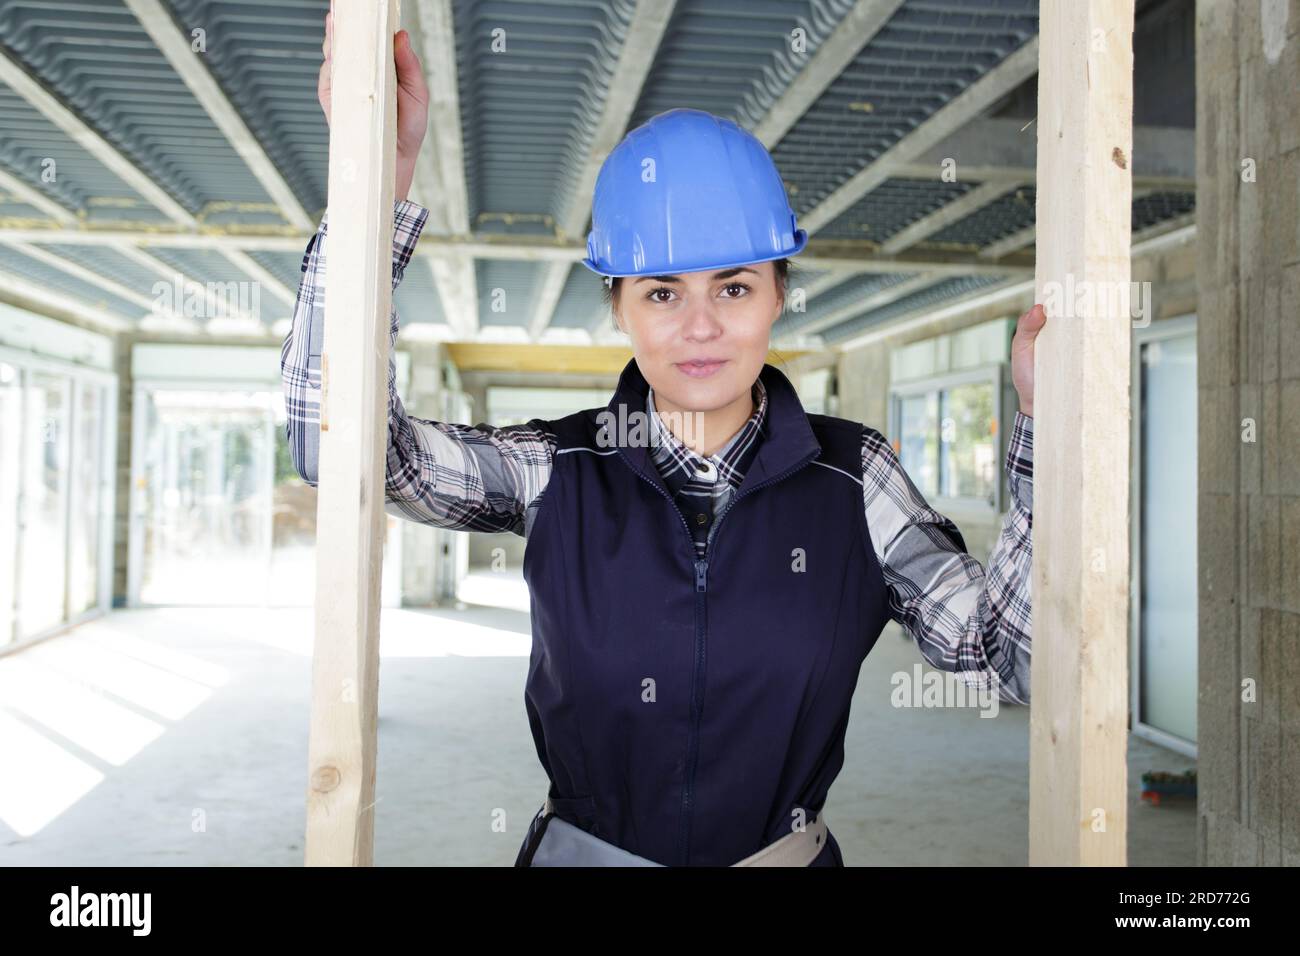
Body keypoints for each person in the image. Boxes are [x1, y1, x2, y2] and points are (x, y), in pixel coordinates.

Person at [282, 16, 1043, 867]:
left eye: (735, 286)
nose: (702, 327)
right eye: (662, 293)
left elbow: (1007, 660)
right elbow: (341, 450)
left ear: (778, 294)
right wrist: (369, 197)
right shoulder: (555, 469)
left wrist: (1045, 439)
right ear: (618, 306)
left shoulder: (855, 479)